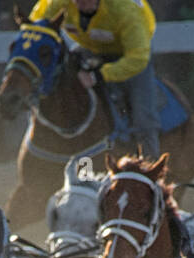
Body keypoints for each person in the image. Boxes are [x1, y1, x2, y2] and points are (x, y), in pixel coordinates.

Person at [27, 0, 162, 157]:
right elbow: (34, 28)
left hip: (129, 55)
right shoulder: (57, 3)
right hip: (89, 48)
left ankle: (150, 166)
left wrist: (97, 76)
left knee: (144, 118)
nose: (80, 2)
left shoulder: (126, 10)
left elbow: (138, 59)